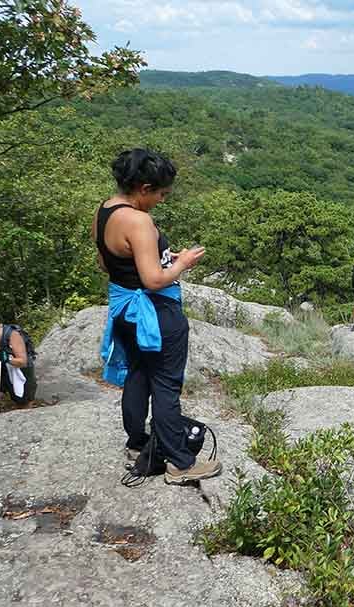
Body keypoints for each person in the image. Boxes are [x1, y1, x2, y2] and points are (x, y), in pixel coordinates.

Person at [92, 148, 222, 486]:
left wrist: (162, 255)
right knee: (165, 385)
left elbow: (108, 263)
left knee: (137, 376)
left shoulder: (105, 210)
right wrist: (181, 264)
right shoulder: (139, 221)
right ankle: (180, 463)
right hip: (155, 314)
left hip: (124, 312)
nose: (162, 200)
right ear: (145, 188)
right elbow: (152, 280)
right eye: (161, 193)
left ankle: (137, 443)